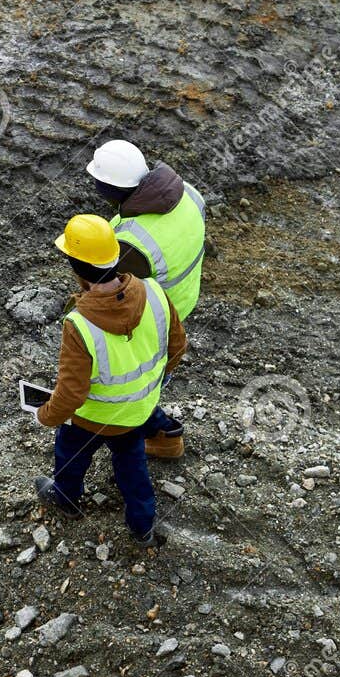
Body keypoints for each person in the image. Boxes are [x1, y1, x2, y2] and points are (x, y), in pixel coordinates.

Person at [32, 214, 187, 547]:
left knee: (70, 456)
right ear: (116, 254)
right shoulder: (155, 293)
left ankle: (67, 500)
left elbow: (72, 392)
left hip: (90, 419)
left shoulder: (79, 324)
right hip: (136, 414)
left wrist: (46, 414)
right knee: (132, 468)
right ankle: (143, 527)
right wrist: (146, 390)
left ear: (75, 267)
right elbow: (177, 348)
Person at [86, 139, 205, 459]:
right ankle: (158, 431)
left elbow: (119, 300)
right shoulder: (189, 194)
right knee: (151, 376)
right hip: (183, 299)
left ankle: (158, 434)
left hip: (153, 317)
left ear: (109, 188)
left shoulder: (130, 245)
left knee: (134, 384)